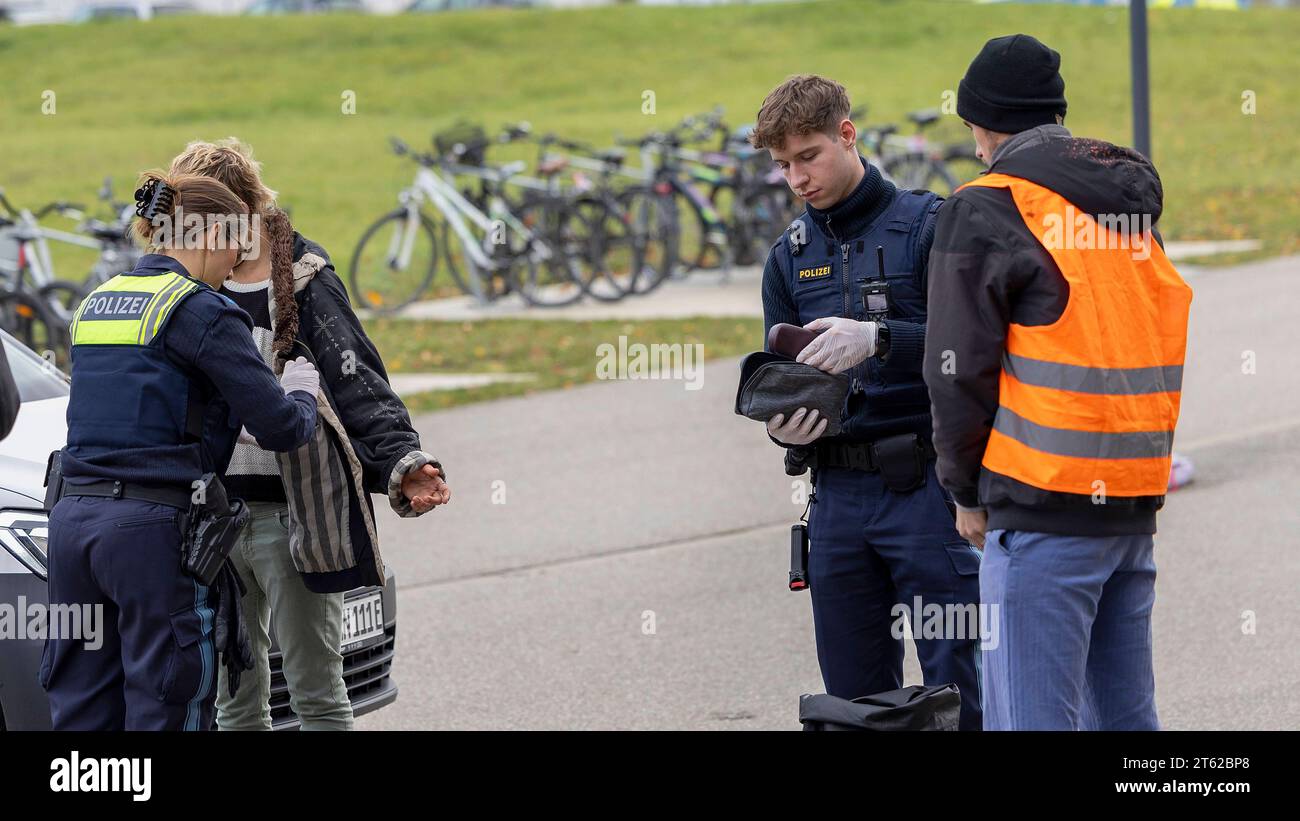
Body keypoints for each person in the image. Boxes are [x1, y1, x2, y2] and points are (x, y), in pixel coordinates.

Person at [923, 34, 1193, 730]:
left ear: (981, 123)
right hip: (1130, 505)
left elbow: (955, 371)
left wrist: (963, 490)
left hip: (1041, 506)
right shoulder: (1126, 208)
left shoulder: (986, 207)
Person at [168, 138, 449, 731]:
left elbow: (355, 376)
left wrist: (403, 459)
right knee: (234, 705)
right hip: (213, 522)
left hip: (293, 518)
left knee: (316, 695)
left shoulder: (302, 273)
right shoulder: (181, 284)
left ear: (244, 207)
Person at [41, 172, 320, 731]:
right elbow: (280, 426)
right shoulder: (203, 311)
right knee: (169, 700)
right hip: (150, 534)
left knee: (82, 708)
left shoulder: (96, 303)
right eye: (237, 248)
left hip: (72, 527)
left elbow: (136, 401)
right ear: (213, 233)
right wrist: (302, 393)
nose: (235, 266)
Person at [750, 75, 983, 730]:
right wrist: (788, 425)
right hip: (838, 501)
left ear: (847, 135)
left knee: (960, 693)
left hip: (928, 492)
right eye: (783, 165)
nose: (797, 178)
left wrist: (880, 340)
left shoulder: (929, 225)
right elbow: (782, 383)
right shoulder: (789, 259)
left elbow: (970, 351)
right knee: (854, 708)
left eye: (808, 156)